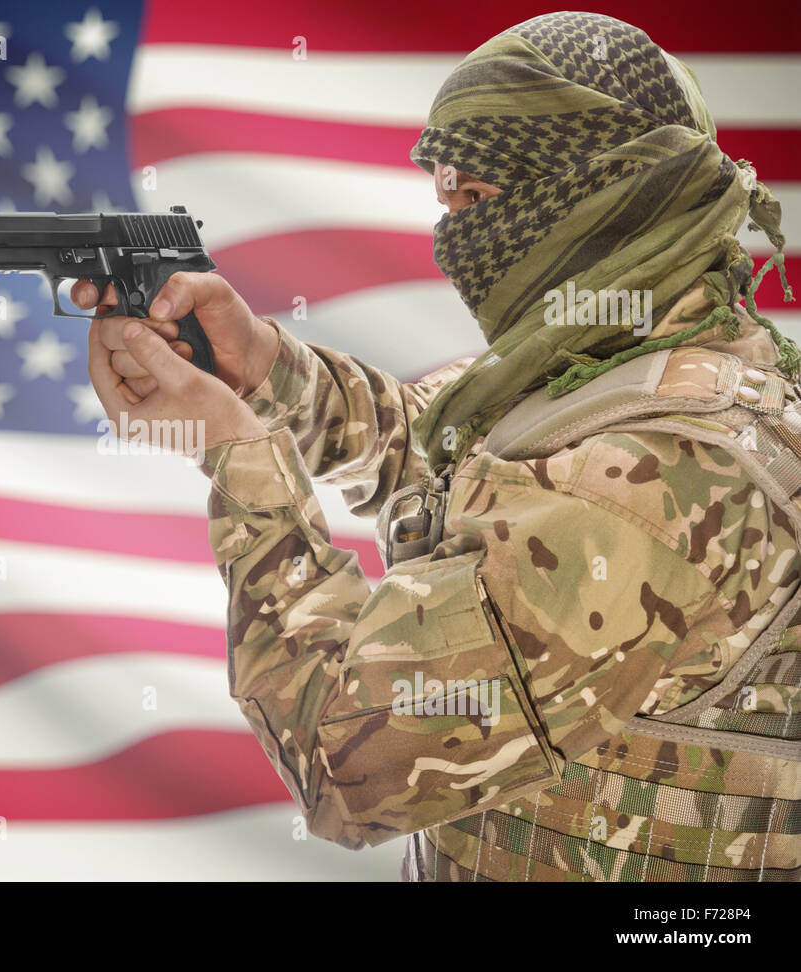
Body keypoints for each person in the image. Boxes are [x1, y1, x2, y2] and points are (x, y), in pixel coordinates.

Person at [80, 11, 799, 881]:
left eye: (475, 198)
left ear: (596, 190)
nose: (451, 233)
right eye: (443, 198)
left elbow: (350, 766)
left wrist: (240, 456)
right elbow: (440, 450)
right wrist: (264, 366)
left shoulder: (655, 481)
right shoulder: (627, 357)